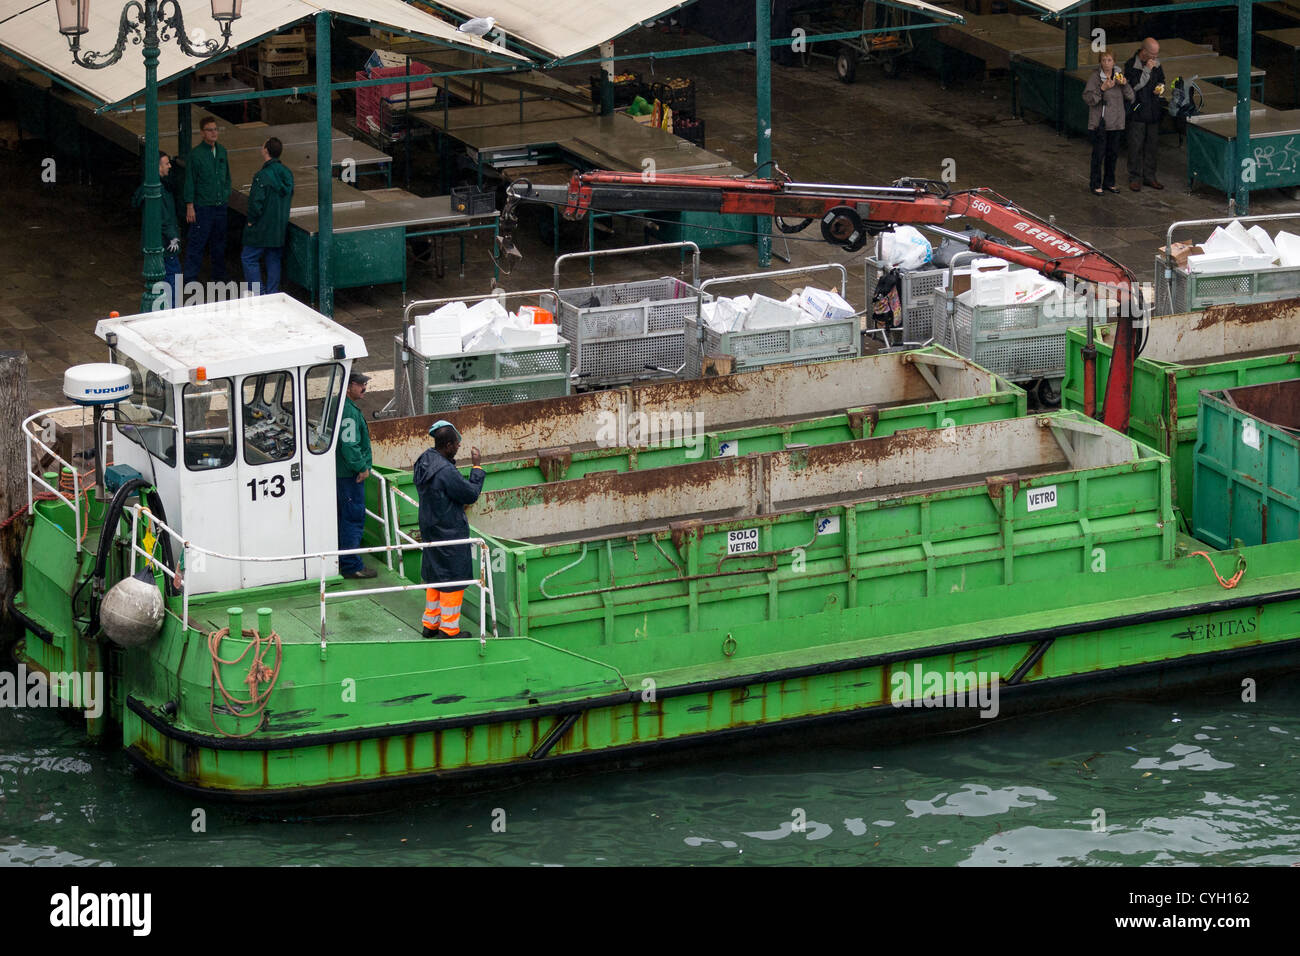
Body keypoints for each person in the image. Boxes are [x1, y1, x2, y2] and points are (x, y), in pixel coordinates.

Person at [413, 421, 485, 638]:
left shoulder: (424, 460)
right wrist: (477, 468)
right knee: (453, 580)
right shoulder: (445, 471)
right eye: (456, 444)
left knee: (435, 575)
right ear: (449, 444)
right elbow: (470, 494)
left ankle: (431, 623)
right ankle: (449, 629)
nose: (459, 447)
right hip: (449, 530)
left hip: (429, 528)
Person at [241, 137, 294, 295]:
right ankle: (272, 293)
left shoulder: (262, 176)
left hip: (261, 227)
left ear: (265, 150)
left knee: (248, 258)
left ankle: (259, 293)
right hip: (278, 226)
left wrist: (251, 221)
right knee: (274, 259)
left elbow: (255, 203)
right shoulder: (287, 174)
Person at [336, 371, 375, 580]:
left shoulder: (338, 405)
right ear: (349, 386)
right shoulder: (349, 412)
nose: (364, 388)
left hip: (340, 473)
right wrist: (361, 467)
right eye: (360, 384)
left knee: (343, 517)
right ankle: (351, 565)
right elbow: (350, 444)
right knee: (352, 517)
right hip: (349, 475)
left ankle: (344, 560)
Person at [182, 116, 231, 282]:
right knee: (197, 243)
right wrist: (190, 205)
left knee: (219, 243)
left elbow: (227, 177)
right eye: (210, 130)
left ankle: (219, 276)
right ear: (202, 133)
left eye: (215, 129)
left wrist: (225, 194)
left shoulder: (222, 151)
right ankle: (190, 278)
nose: (214, 133)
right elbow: (190, 181)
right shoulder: (196, 155)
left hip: (220, 206)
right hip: (203, 207)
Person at [133, 150, 183, 307]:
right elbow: (164, 218)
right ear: (158, 167)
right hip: (164, 245)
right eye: (166, 163)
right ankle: (171, 309)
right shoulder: (157, 190)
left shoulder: (149, 188)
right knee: (173, 280)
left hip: (157, 244)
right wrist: (173, 236)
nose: (169, 166)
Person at [1082, 51, 1134, 196]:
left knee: (1113, 154)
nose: (1106, 63)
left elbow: (1131, 97)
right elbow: (1088, 98)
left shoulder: (1119, 76)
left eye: (1109, 60)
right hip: (1100, 123)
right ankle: (1095, 184)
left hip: (1116, 123)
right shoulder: (1095, 78)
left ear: (1114, 62)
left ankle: (1109, 182)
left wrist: (1124, 85)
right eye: (1103, 60)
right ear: (1100, 62)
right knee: (1098, 155)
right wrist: (1102, 88)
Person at [1124, 38, 1167, 191]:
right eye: (1153, 54)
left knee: (1152, 146)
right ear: (1144, 51)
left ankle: (1150, 176)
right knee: (1136, 146)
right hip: (1138, 111)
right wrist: (1147, 70)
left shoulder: (1157, 63)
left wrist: (1160, 88)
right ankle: (1135, 177)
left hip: (1153, 110)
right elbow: (1134, 86)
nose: (1155, 57)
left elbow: (1162, 80)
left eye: (1157, 54)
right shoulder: (1131, 65)